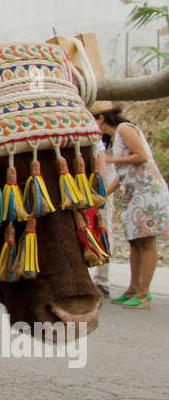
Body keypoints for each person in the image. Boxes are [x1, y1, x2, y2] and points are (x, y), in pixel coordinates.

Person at [101, 106, 169, 308]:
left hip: (148, 193)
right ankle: (132, 288)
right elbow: (122, 176)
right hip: (134, 195)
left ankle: (143, 294)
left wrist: (112, 160)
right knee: (135, 243)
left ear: (101, 119)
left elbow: (141, 156)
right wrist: (102, 195)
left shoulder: (124, 128)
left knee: (147, 243)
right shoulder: (113, 140)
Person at [89, 106, 120, 296]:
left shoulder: (122, 133)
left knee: (103, 227)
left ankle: (102, 280)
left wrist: (103, 193)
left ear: (100, 118)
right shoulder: (103, 136)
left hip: (103, 187)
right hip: (97, 186)